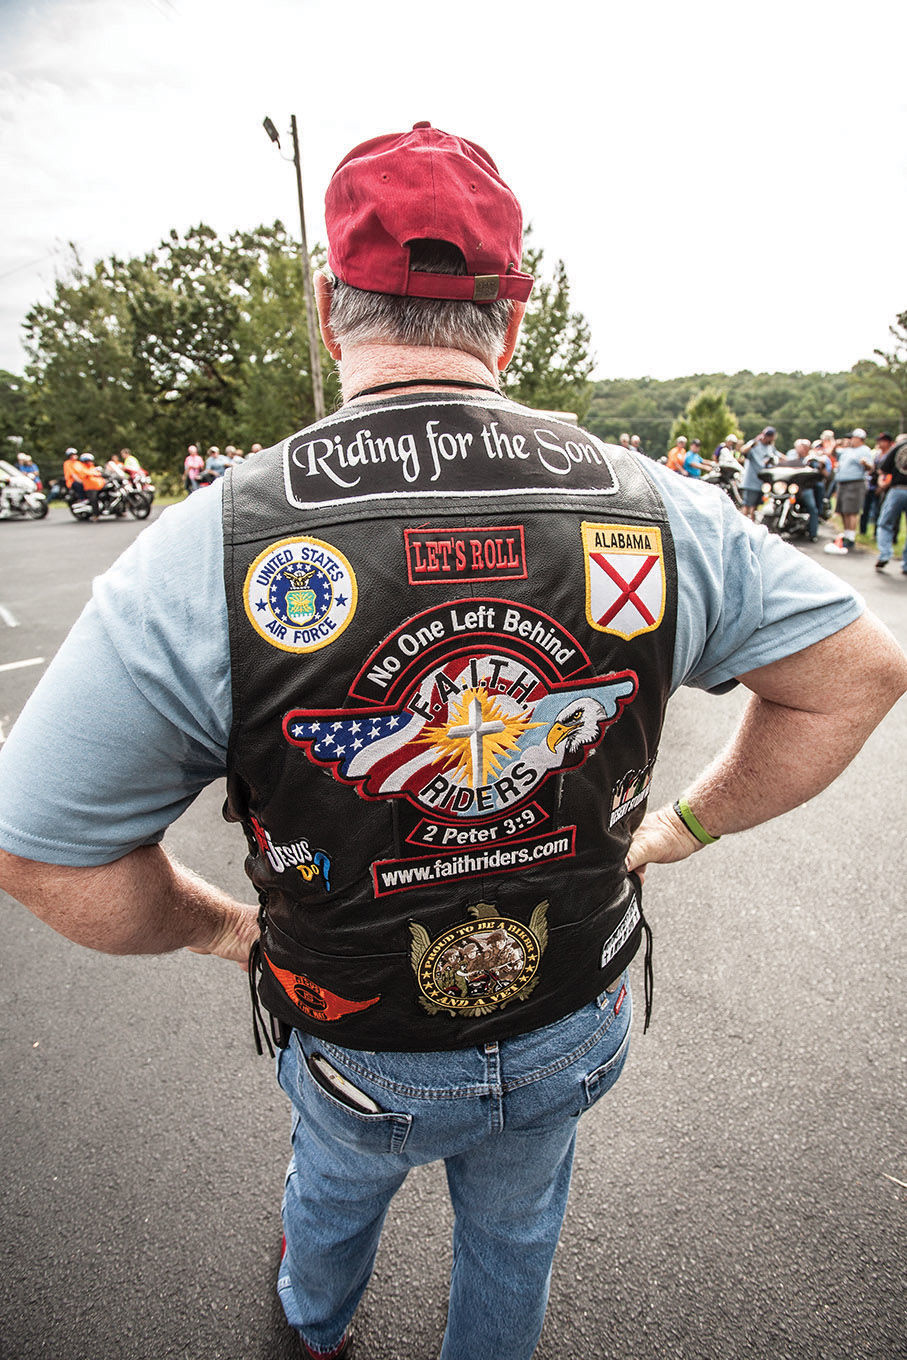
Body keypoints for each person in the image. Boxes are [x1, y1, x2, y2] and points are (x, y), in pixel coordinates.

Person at [0, 122, 904, 1360]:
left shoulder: (208, 544)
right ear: (511, 322)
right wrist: (683, 827)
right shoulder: (655, 505)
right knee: (518, 1228)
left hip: (356, 1021)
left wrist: (227, 929)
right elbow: (857, 674)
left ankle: (311, 1328)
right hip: (574, 996)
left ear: (328, 308)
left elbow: (43, 853)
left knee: (331, 1197)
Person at [824, 429, 873, 555]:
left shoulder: (864, 450)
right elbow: (832, 453)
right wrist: (836, 443)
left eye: (854, 438)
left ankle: (851, 537)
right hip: (843, 483)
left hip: (855, 483)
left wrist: (865, 464)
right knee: (844, 510)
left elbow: (870, 467)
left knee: (852, 511)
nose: (851, 440)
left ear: (860, 438)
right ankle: (846, 535)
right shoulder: (847, 450)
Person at [875, 432, 907, 573]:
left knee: (885, 523)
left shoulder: (899, 446)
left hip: (897, 489)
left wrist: (882, 482)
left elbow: (883, 469)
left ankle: (885, 553)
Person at [739, 426, 777, 519]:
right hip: (751, 481)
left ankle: (752, 527)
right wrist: (753, 443)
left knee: (755, 507)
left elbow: (778, 456)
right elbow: (742, 451)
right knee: (747, 505)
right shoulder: (754, 444)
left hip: (762, 482)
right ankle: (742, 526)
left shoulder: (770, 447)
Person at [861, 433, 893, 537]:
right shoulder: (876, 454)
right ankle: (863, 531)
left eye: (882, 441)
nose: (879, 443)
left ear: (888, 442)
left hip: (883, 486)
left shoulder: (891, 454)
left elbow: (888, 472)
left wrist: (882, 486)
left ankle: (876, 533)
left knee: (878, 510)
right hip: (871, 484)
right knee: (865, 509)